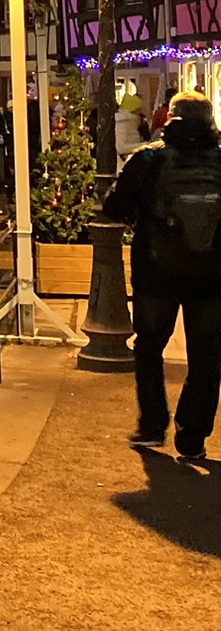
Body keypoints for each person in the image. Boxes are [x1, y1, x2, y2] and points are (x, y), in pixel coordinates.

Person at [103, 88, 221, 458]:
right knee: (207, 355)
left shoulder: (149, 160)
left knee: (150, 347)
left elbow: (114, 207)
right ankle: (192, 437)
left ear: (170, 118)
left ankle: (153, 426)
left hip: (157, 270)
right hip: (213, 275)